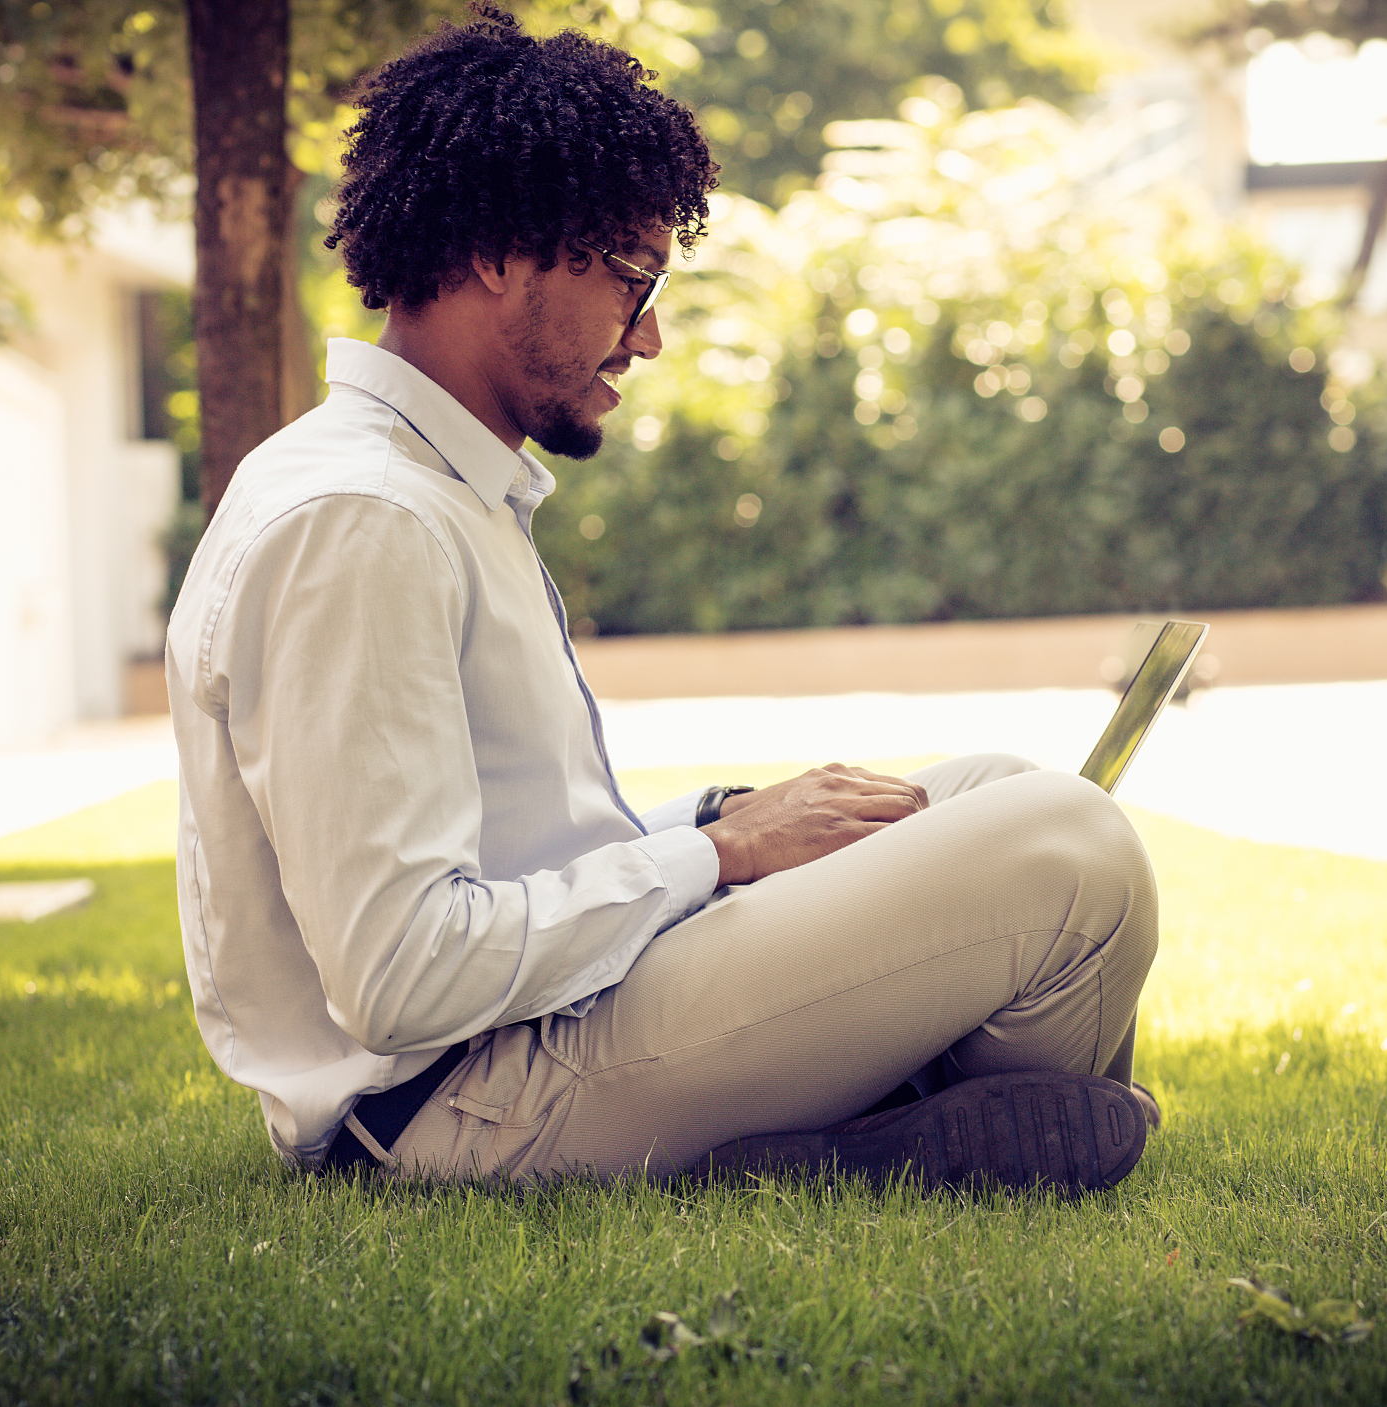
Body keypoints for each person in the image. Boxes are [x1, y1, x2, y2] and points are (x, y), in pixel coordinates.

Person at [165, 3, 1160, 1193]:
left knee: (987, 793)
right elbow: (402, 974)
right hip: (465, 1104)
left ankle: (898, 1115)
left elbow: (511, 854)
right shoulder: (362, 522)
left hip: (533, 1031)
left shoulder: (427, 487)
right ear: (495, 254)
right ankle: (927, 1118)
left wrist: (708, 819)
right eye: (633, 278)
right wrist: (720, 855)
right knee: (1071, 849)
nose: (649, 336)